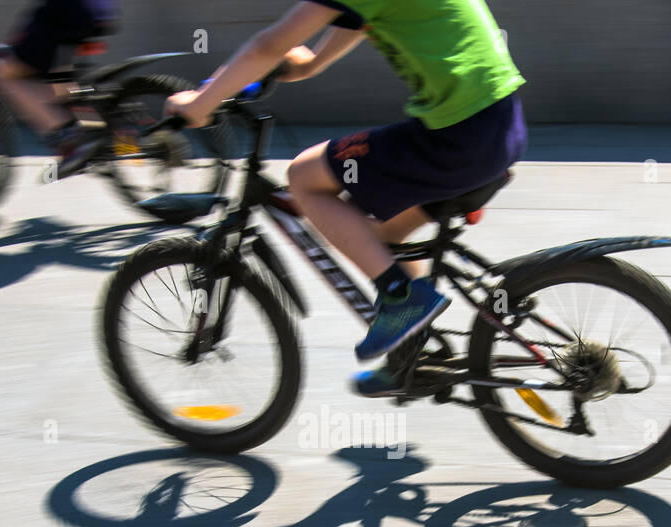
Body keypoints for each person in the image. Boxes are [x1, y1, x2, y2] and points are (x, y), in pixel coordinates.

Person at [164, 0, 527, 397]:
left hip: (457, 138)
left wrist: (199, 105)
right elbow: (306, 61)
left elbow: (268, 45)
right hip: (499, 127)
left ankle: (400, 298)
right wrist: (245, 77)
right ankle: (411, 359)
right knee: (378, 236)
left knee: (304, 177)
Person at [0, 0, 120, 177]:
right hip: (96, 12)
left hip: (64, 11)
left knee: (0, 72)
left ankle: (66, 137)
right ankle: (94, 129)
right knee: (55, 82)